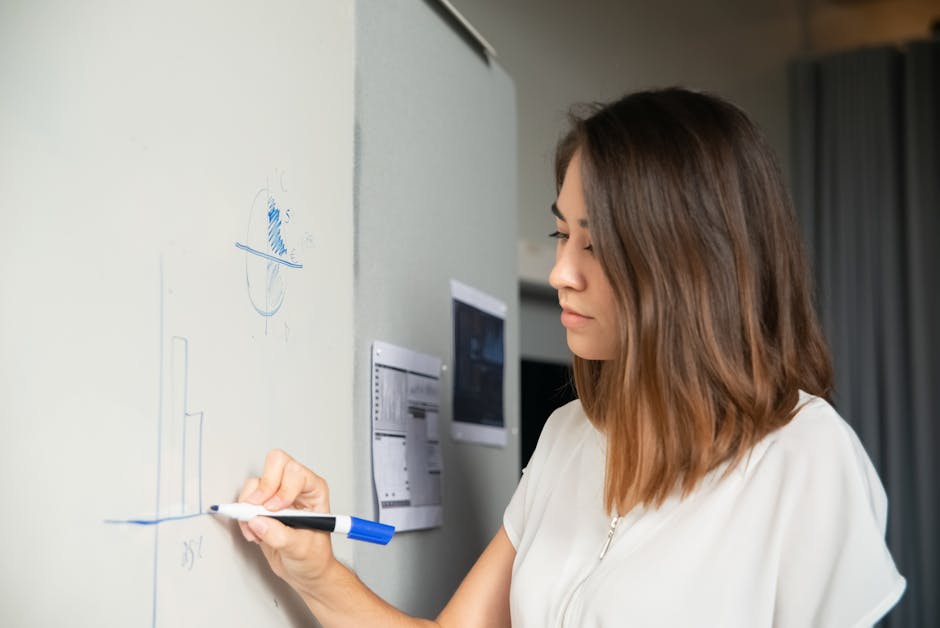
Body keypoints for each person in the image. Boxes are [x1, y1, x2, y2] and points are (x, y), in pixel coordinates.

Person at [235, 88, 906, 626]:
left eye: (593, 243)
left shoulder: (804, 458)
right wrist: (313, 567)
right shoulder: (568, 438)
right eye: (561, 234)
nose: (559, 272)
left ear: (689, 261)